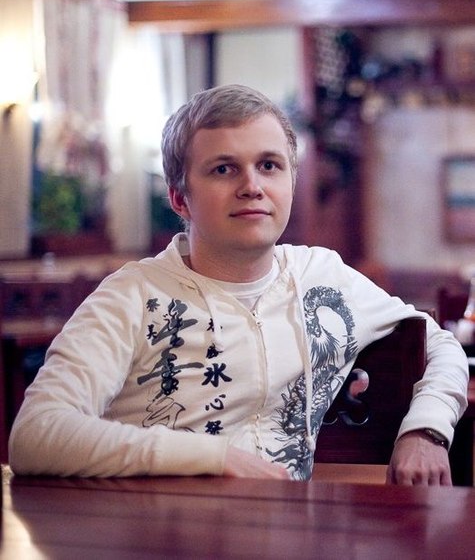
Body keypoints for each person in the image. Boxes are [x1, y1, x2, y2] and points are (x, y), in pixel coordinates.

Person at [9, 84, 468, 485]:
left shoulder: (323, 277)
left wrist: (426, 430)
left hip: (287, 531)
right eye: (224, 169)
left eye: (269, 165)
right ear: (179, 198)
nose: (252, 186)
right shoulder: (129, 297)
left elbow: (440, 344)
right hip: (152, 532)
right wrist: (213, 458)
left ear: (291, 183)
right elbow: (36, 433)